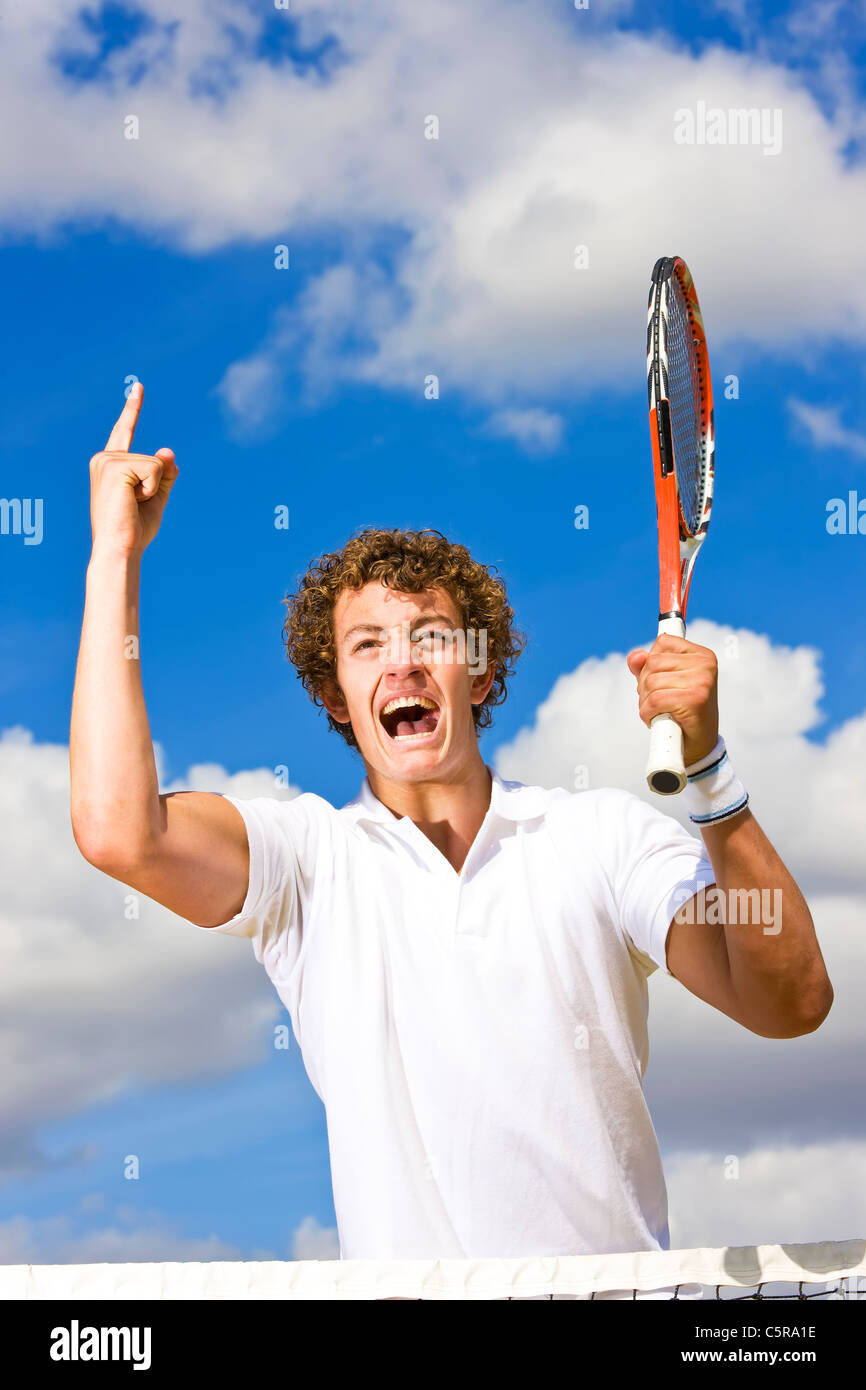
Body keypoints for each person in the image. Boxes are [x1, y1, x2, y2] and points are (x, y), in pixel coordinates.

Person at [71, 384, 833, 1262]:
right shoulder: (307, 863)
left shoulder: (602, 837)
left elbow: (793, 1003)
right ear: (337, 697)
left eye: (432, 636)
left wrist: (708, 767)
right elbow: (117, 832)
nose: (402, 663)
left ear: (479, 674)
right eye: (367, 646)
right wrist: (114, 552)